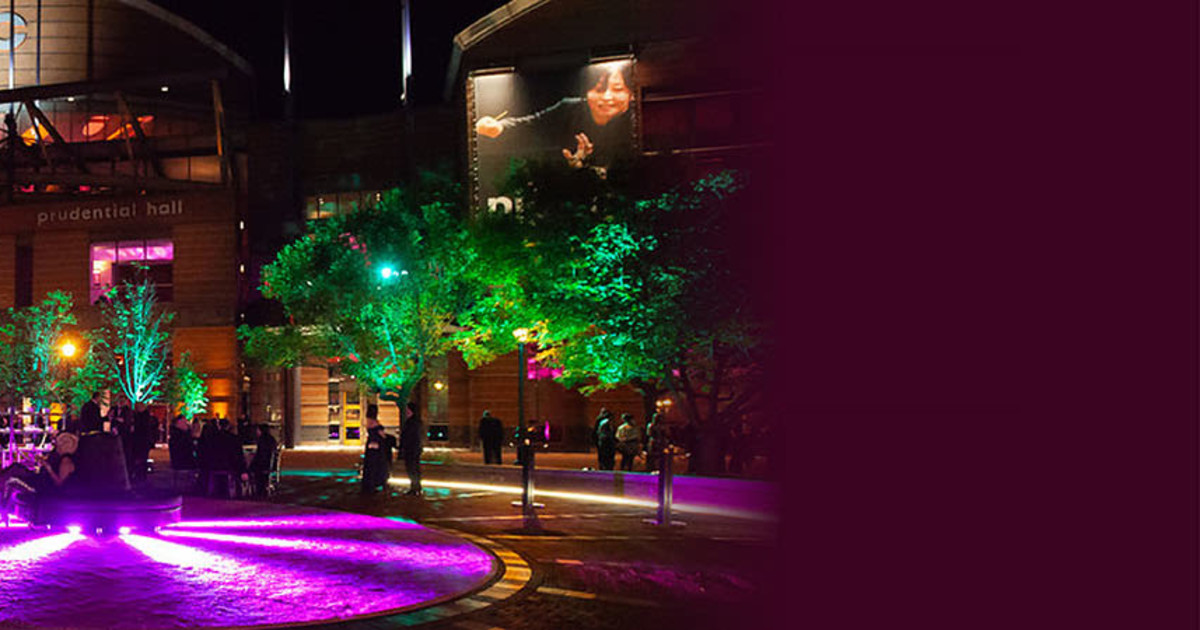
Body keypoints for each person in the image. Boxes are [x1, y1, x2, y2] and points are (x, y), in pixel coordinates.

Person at [475, 63, 634, 175]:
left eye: (617, 89)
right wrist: (499, 126)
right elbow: (532, 124)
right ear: (587, 92)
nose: (607, 97)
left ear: (631, 94)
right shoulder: (568, 109)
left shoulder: (635, 120)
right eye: (599, 89)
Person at [360, 404, 392, 495]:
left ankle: (370, 484)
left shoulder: (368, 422)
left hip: (371, 445)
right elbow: (382, 435)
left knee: (370, 466)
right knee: (376, 465)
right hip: (377, 446)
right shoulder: (374, 423)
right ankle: (375, 483)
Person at [397, 402, 423, 496]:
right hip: (414, 448)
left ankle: (415, 487)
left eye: (408, 409)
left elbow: (410, 436)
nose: (407, 411)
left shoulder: (412, 422)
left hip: (411, 449)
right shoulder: (415, 421)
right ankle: (416, 487)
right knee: (414, 468)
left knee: (412, 468)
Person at [248, 424, 278, 497]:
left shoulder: (262, 440)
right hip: (270, 463)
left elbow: (260, 455)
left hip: (263, 465)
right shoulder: (271, 439)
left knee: (251, 469)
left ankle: (257, 490)